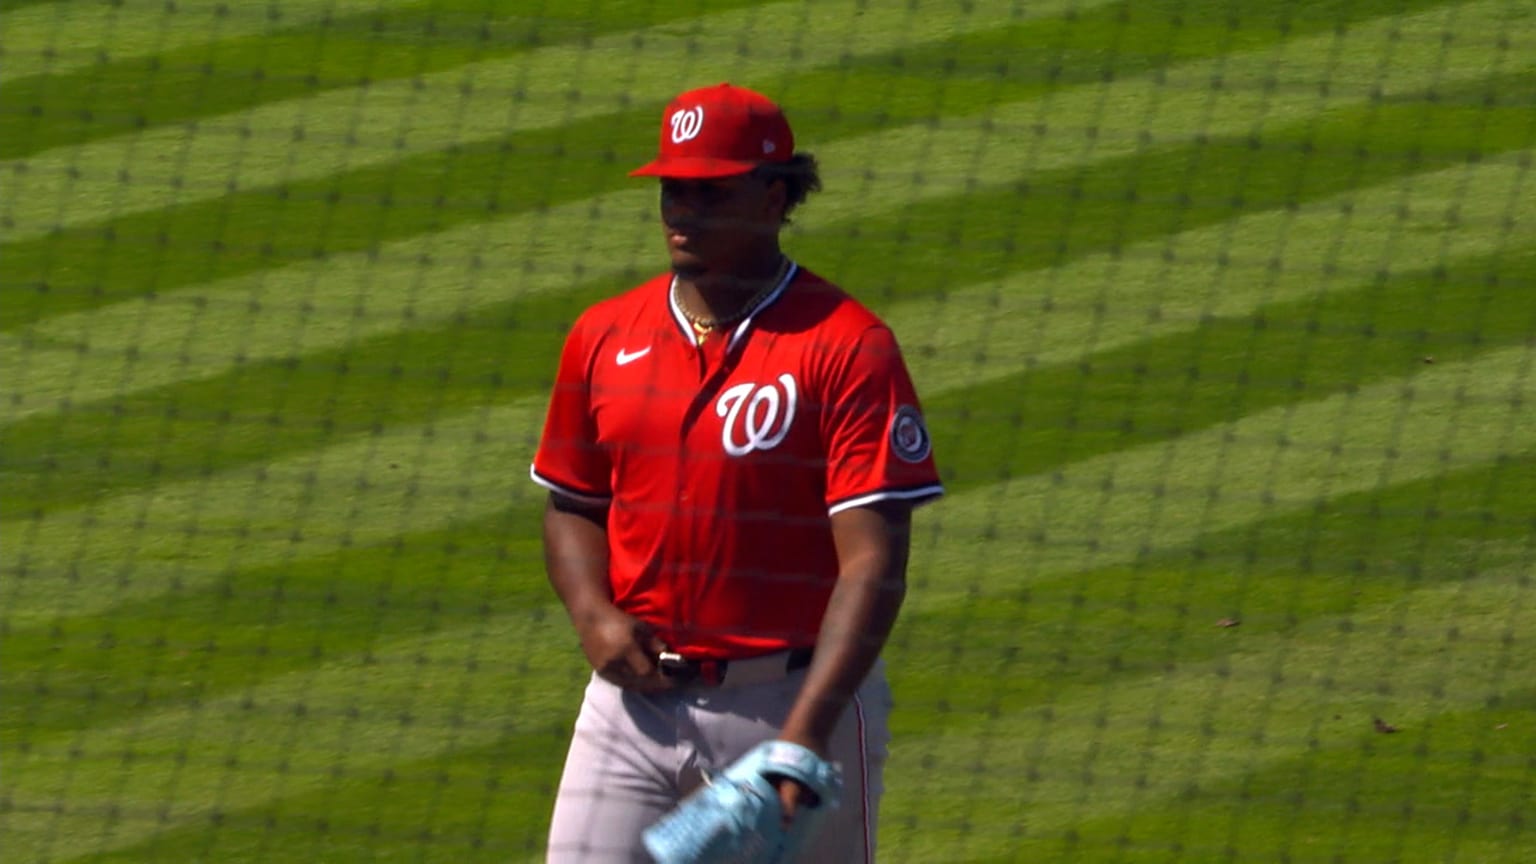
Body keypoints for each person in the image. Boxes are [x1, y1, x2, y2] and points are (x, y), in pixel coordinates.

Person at [531, 82, 943, 863]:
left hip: (787, 703)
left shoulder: (846, 346)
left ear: (775, 197)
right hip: (631, 711)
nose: (682, 211)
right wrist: (593, 615)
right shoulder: (604, 333)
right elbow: (571, 503)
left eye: (710, 192)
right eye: (671, 192)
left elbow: (874, 562)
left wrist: (803, 737)